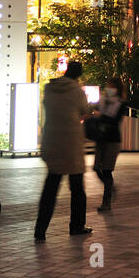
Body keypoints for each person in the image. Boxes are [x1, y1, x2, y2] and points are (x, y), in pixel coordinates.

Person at [35, 61, 91, 237]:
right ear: (78, 74)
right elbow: (84, 111)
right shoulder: (77, 91)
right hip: (71, 145)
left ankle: (40, 229)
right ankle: (76, 226)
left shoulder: (50, 88)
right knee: (77, 189)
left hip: (51, 141)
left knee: (50, 188)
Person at [91, 77, 125, 213]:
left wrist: (100, 117)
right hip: (101, 138)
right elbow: (93, 110)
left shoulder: (121, 104)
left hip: (112, 140)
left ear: (116, 88)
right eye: (107, 85)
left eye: (111, 86)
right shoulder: (102, 101)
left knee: (106, 170)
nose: (108, 88)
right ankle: (110, 187)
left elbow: (116, 121)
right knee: (95, 168)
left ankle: (106, 202)